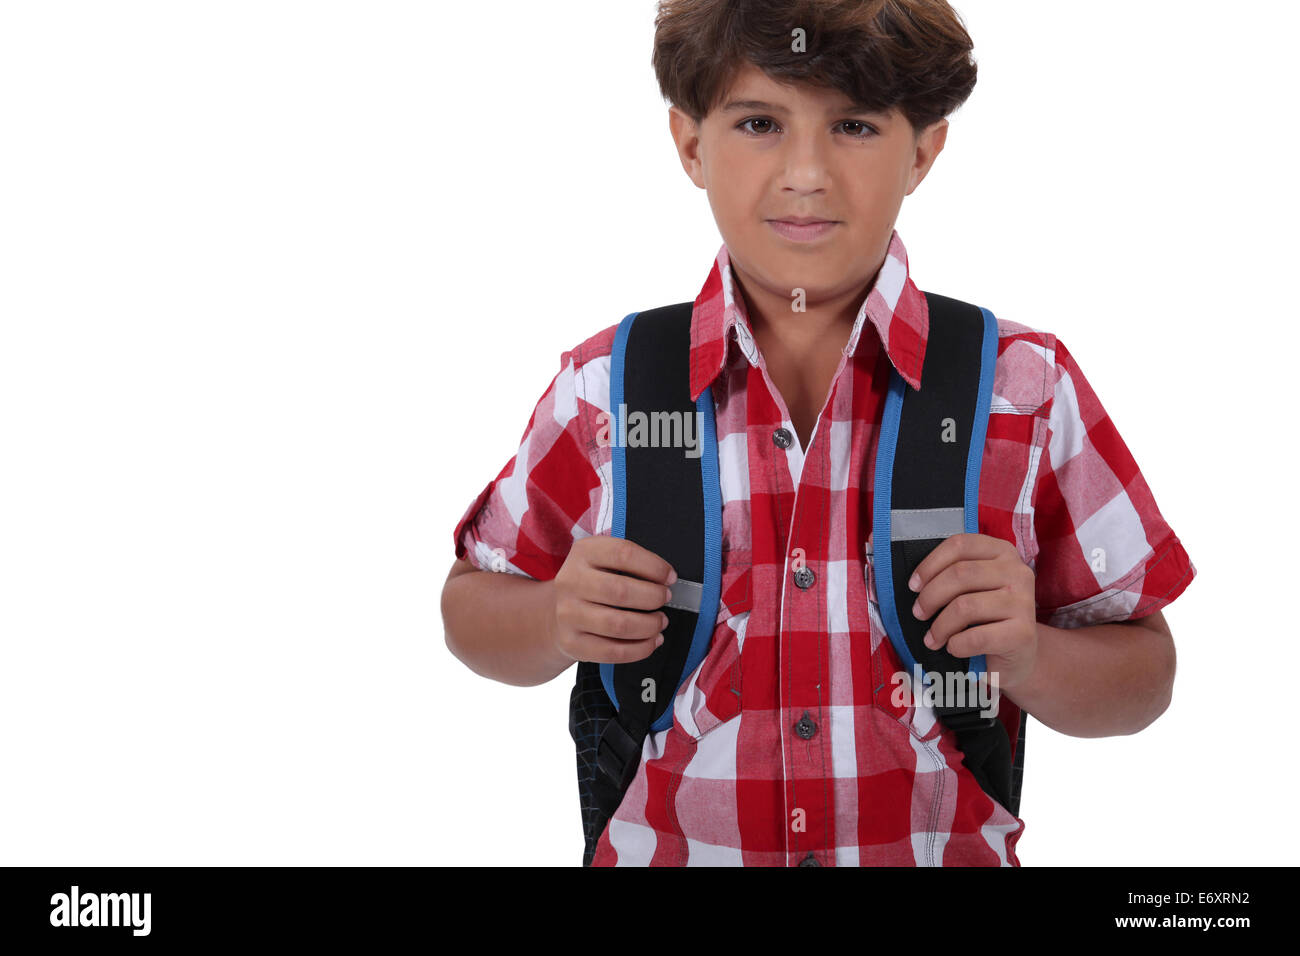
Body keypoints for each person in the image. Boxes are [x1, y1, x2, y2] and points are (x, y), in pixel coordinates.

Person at [440, 0, 1196, 866]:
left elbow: (1145, 679)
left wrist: (1029, 657)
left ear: (923, 151)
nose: (806, 173)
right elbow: (469, 606)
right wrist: (549, 619)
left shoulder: (1024, 388)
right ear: (690, 144)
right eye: (759, 122)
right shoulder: (606, 386)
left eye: (854, 126)